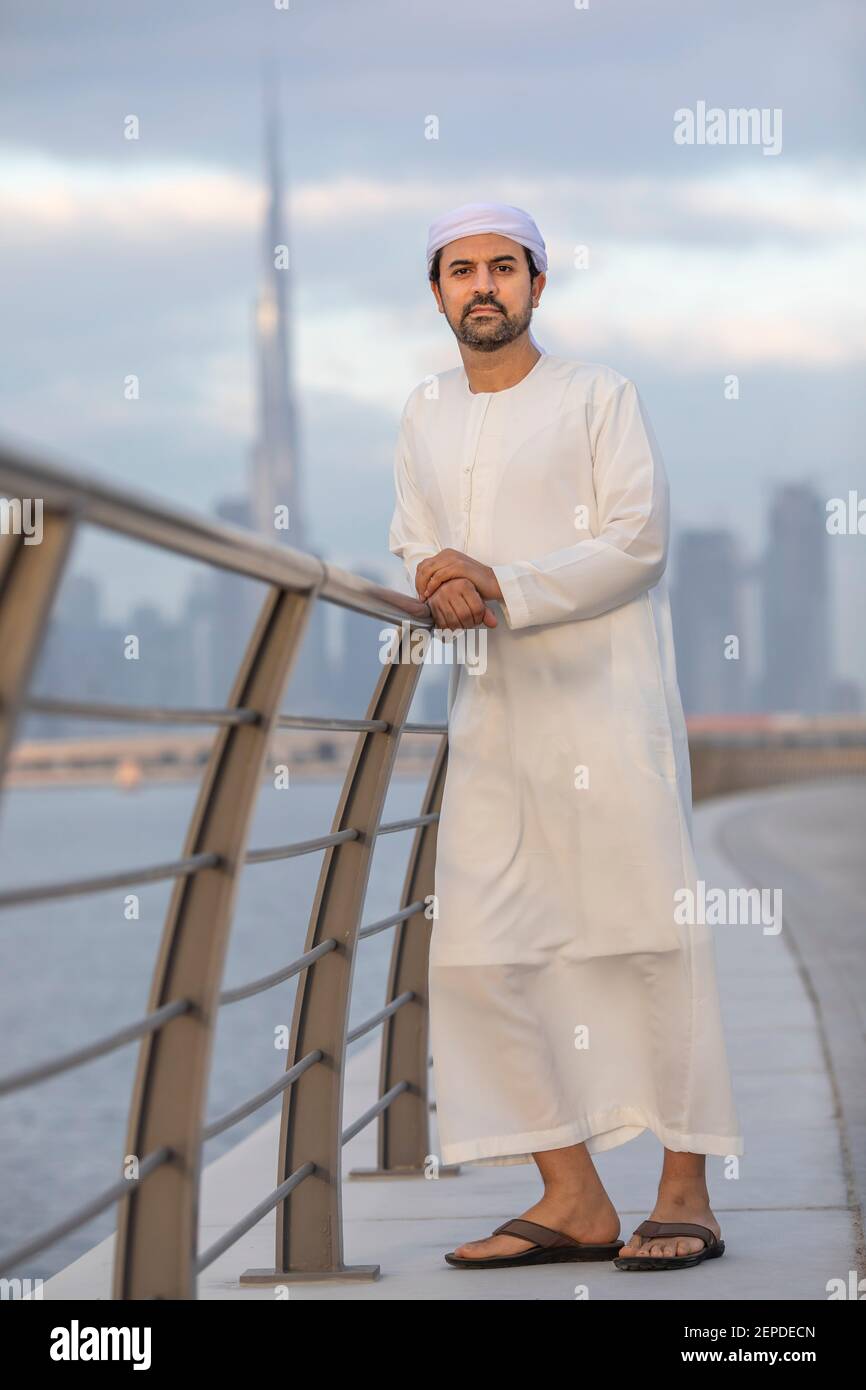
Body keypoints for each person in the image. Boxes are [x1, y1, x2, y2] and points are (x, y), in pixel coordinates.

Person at [388, 201, 743, 1272]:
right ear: (438, 292)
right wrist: (431, 571)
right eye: (461, 270)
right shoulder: (421, 411)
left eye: (503, 266)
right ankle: (571, 1195)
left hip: (606, 704)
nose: (482, 285)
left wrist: (504, 582)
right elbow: (413, 536)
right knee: (480, 952)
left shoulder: (598, 396)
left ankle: (682, 1192)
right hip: (493, 717)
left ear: (537, 286)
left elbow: (634, 543)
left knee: (643, 936)